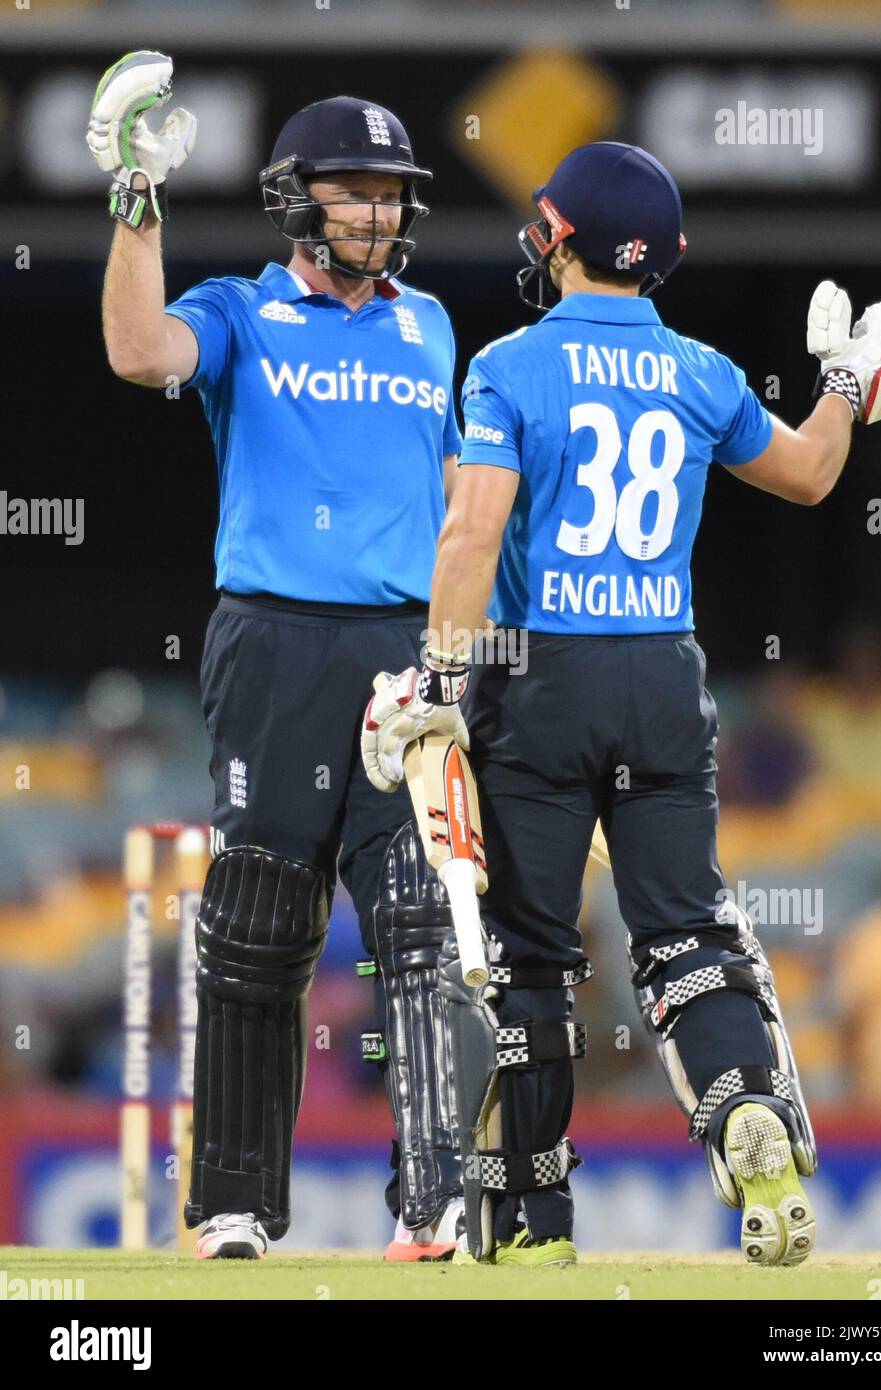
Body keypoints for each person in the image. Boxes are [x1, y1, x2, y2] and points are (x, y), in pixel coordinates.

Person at [362, 141, 881, 1266]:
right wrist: (847, 383)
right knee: (687, 938)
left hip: (543, 679)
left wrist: (439, 676)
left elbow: (470, 535)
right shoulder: (703, 370)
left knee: (528, 956)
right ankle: (742, 1105)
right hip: (665, 677)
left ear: (561, 237)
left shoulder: (508, 367)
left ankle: (527, 1222)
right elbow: (811, 472)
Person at [88, 51, 469, 1259]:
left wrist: (471, 654)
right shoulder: (244, 309)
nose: (379, 212)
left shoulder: (433, 322)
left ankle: (434, 1204)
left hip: (403, 648)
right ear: (299, 198)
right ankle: (234, 1206)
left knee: (423, 923)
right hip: (273, 639)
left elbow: (461, 496)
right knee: (257, 925)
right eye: (354, 190)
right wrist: (138, 198)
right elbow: (139, 353)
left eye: (392, 191)